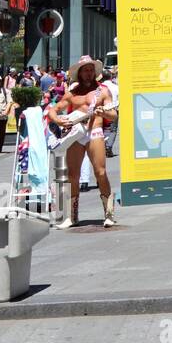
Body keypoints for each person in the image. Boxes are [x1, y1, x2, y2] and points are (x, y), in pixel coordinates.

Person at [47, 56, 118, 228]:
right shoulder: (72, 93)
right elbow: (53, 110)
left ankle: (109, 213)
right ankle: (72, 216)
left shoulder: (103, 91)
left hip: (94, 131)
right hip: (76, 135)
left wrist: (103, 113)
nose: (88, 73)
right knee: (73, 175)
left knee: (100, 172)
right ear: (79, 73)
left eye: (90, 70)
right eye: (85, 70)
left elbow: (114, 114)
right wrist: (58, 121)